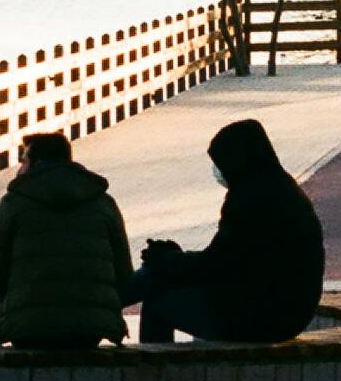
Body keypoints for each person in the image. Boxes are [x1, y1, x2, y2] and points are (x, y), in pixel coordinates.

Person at [126, 117, 326, 344]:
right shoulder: (278, 188)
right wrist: (175, 259)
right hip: (282, 310)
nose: (220, 171)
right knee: (162, 273)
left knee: (157, 303)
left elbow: (217, 264)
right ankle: (104, 302)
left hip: (260, 318)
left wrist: (169, 261)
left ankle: (111, 314)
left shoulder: (252, 199)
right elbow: (229, 257)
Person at [0, 131, 133, 350]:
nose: (19, 170)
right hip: (90, 330)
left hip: (27, 330)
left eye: (23, 161)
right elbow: (124, 276)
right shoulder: (104, 203)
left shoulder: (13, 204)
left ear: (36, 164)